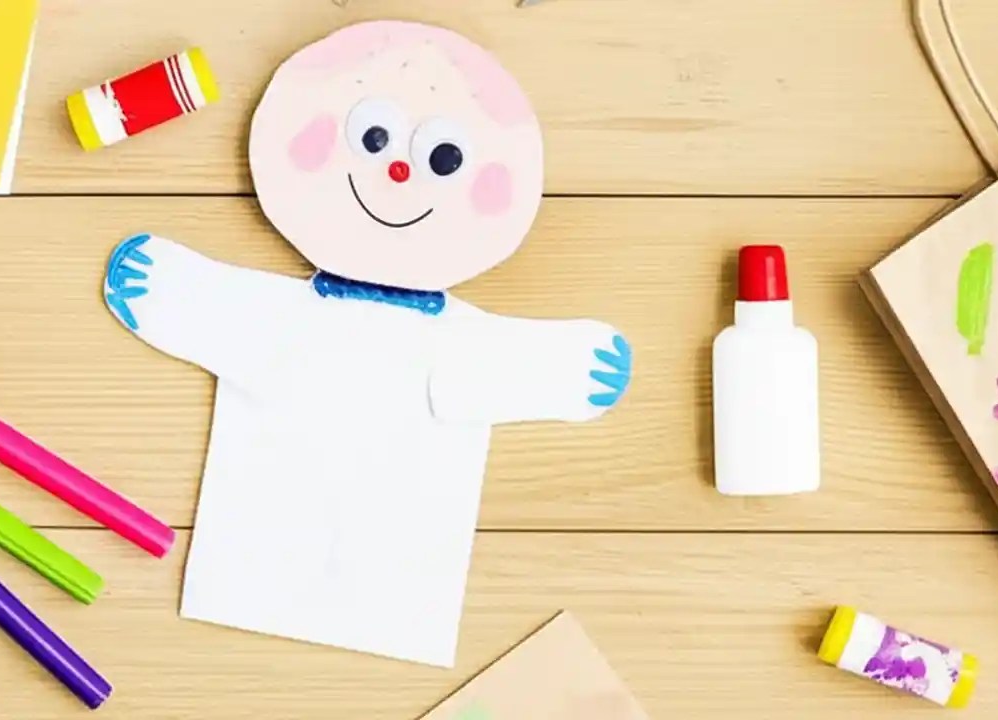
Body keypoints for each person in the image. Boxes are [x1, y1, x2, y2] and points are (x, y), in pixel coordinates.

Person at [101, 21, 631, 667]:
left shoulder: (448, 342)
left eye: (442, 159)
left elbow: (536, 367)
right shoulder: (295, 317)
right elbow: (199, 303)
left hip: (381, 596)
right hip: (267, 579)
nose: (401, 171)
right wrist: (164, 284)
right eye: (373, 140)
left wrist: (573, 367)